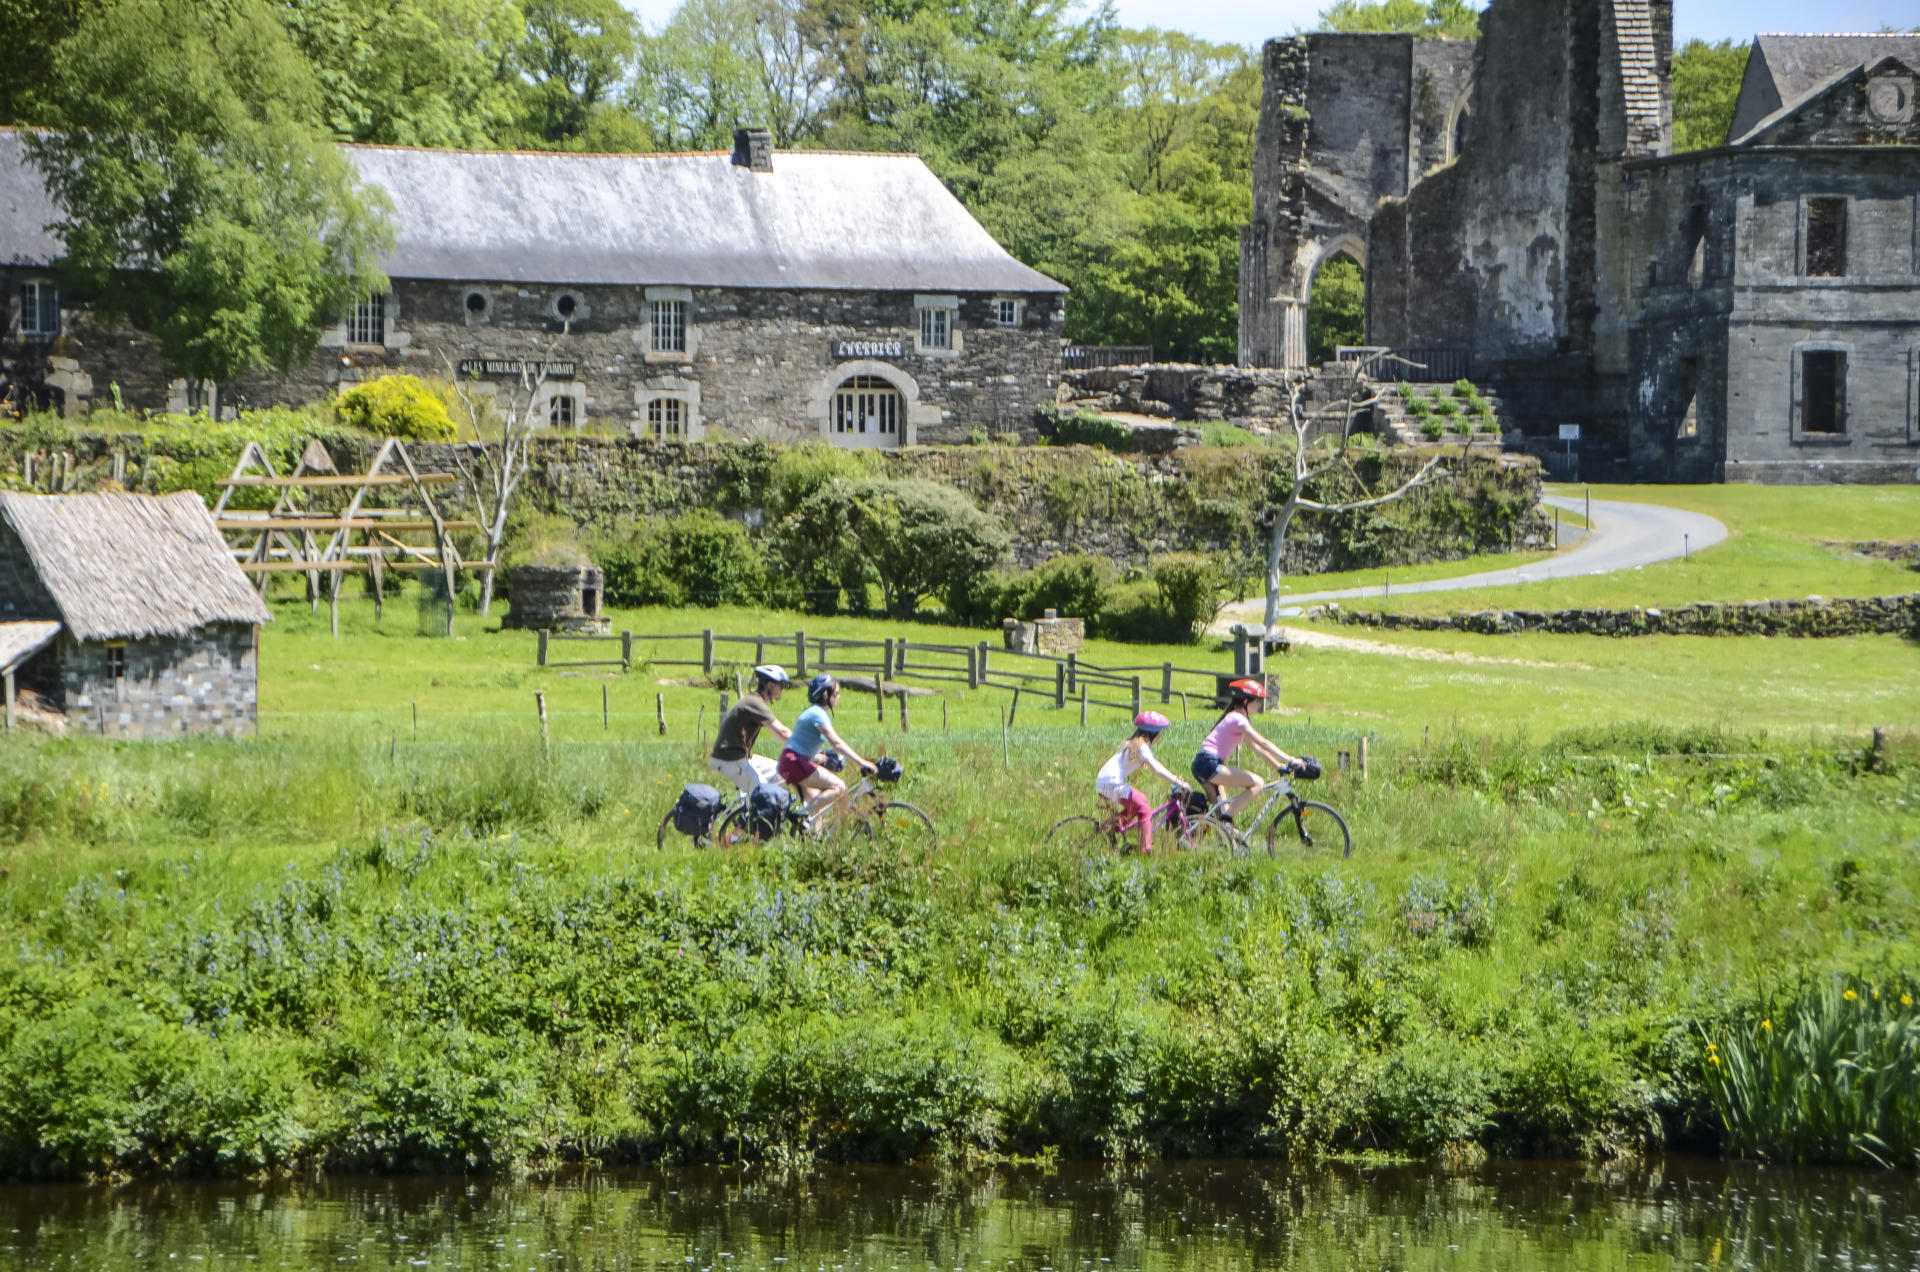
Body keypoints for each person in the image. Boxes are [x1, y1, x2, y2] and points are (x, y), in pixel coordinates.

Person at [1191, 678, 1301, 822]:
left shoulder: (1235, 718)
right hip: (1210, 763)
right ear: (1245, 702)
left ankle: (1223, 831)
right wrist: (1291, 759)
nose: (1259, 705)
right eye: (1256, 701)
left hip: (1204, 763)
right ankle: (1227, 818)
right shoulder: (1239, 720)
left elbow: (1256, 748)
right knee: (1258, 783)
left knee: (1223, 812)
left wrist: (1278, 765)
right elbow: (1263, 743)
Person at [778, 674, 878, 819]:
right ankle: (800, 816)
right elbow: (836, 742)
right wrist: (861, 762)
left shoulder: (814, 712)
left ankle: (814, 836)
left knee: (816, 804)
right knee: (839, 786)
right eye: (836, 693)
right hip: (795, 762)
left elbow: (806, 742)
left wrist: (823, 757)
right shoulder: (818, 714)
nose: (838, 697)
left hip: (790, 762)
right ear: (826, 695)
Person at [1096, 711, 1187, 855]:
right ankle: (1145, 851)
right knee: (1144, 810)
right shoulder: (1142, 746)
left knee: (1141, 800)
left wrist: (1174, 778)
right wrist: (1176, 780)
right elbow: (1156, 768)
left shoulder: (1133, 743)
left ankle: (1113, 829)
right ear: (1154, 734)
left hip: (1105, 781)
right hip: (1112, 783)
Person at [708, 665, 793, 798]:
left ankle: (748, 805)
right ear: (770, 685)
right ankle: (750, 813)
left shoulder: (755, 701)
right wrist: (804, 748)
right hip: (729, 761)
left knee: (784, 772)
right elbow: (780, 731)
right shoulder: (755, 703)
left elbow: (779, 736)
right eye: (781, 685)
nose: (782, 689)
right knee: (765, 795)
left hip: (742, 758)